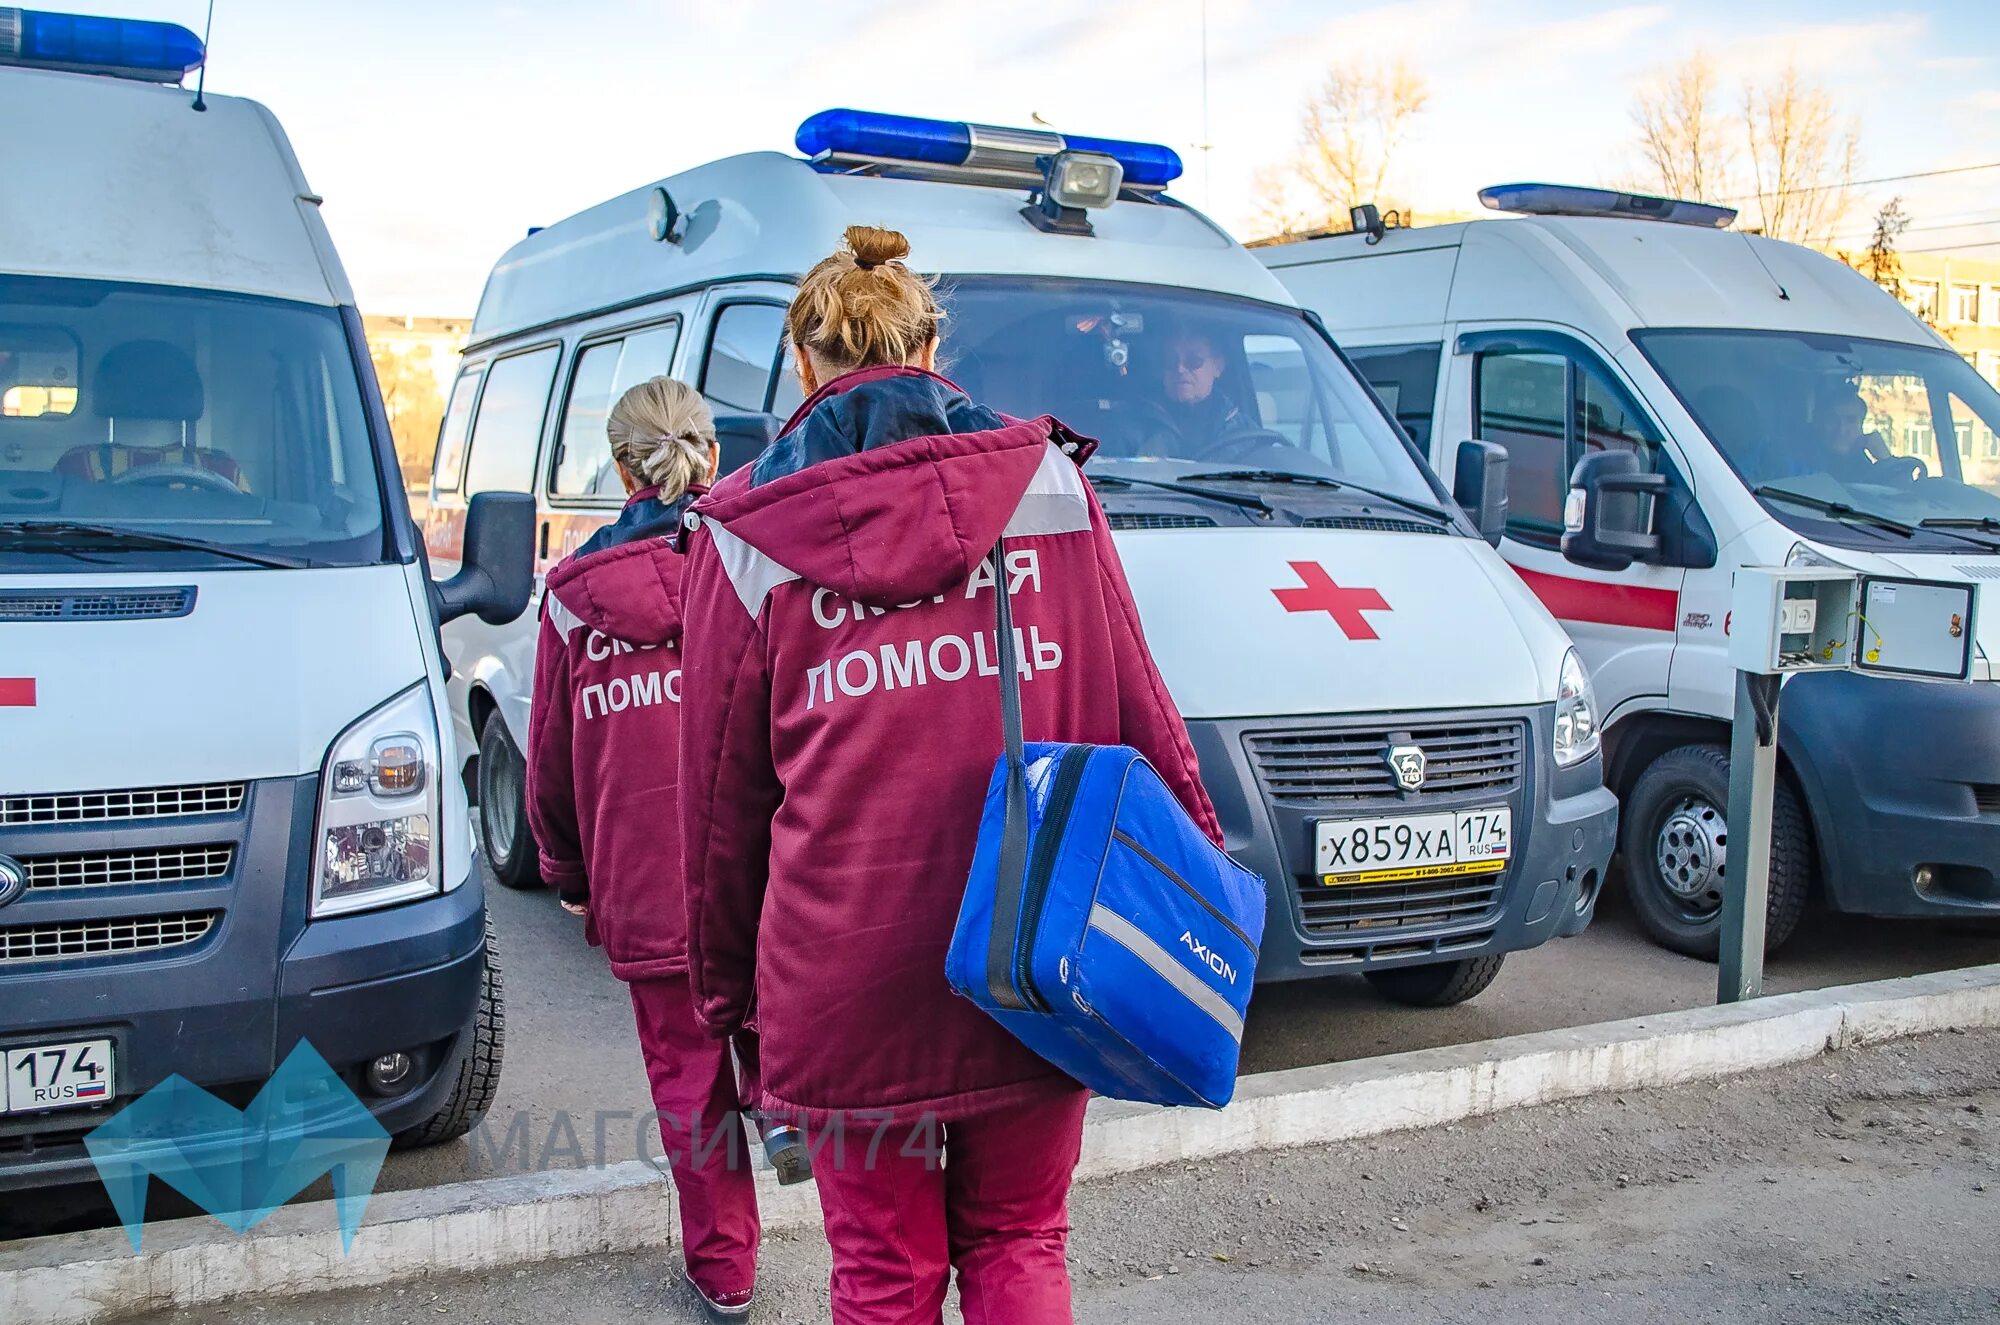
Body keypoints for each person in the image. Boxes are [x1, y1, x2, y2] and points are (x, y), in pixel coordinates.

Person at [677, 225, 1221, 1325]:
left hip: (840, 968)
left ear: (803, 362)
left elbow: (718, 811)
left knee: (882, 1276)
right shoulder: (1051, 490)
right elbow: (1138, 706)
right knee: (1021, 1240)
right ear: (932, 347)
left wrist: (726, 998)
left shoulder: (746, 538)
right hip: (1034, 938)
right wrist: (1204, 886)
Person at [522, 376, 761, 1323]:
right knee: (792, 1048)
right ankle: (855, 1221)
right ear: (710, 448)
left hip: (649, 883)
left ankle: (726, 1270)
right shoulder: (760, 556)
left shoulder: (575, 597)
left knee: (688, 1082)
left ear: (620, 466)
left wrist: (569, 874)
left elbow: (551, 757)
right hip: (770, 869)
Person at [1129, 325, 1256, 459]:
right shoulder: (1133, 425)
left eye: (1193, 360)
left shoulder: (1245, 431)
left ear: (1218, 366)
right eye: (1171, 360)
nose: (1180, 369)